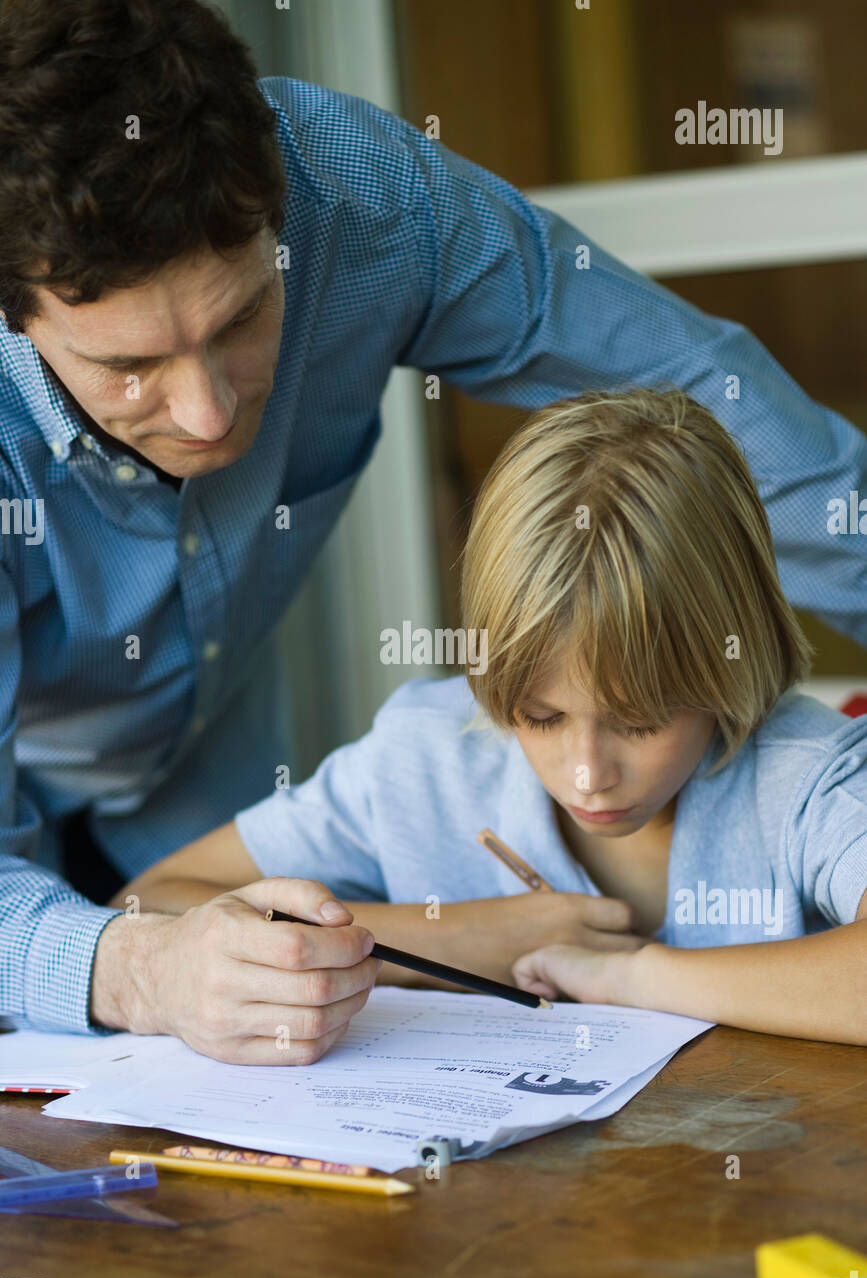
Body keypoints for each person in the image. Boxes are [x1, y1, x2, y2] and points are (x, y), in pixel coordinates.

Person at [1, 1, 865, 1046]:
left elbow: (704, 400)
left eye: (239, 321)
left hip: (208, 762)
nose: (210, 415)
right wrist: (139, 970)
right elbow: (150, 923)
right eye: (129, 369)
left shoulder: (362, 195)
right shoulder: (422, 762)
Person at [118, 388, 867, 1054]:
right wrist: (458, 937)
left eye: (637, 723)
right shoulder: (425, 755)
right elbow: (152, 898)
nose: (586, 774)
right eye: (538, 717)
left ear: (728, 659)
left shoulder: (807, 773)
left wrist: (638, 976)